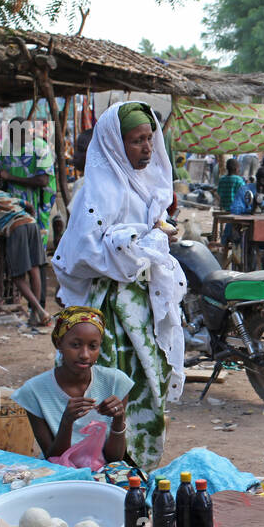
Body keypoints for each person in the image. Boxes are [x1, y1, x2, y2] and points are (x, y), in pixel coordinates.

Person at [51, 101, 185, 470]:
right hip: (109, 309)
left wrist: (154, 240)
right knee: (110, 383)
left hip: (145, 303)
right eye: (136, 140)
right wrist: (139, 243)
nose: (146, 148)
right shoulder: (97, 193)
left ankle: (139, 463)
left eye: (149, 139)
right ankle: (104, 463)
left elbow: (152, 235)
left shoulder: (150, 187)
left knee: (148, 381)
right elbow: (83, 251)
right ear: (114, 143)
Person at [14, 307, 133, 468]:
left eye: (93, 346)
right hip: (60, 475)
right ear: (59, 344)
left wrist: (119, 420)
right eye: (75, 345)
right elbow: (53, 458)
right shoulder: (34, 391)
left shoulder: (115, 382)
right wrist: (66, 422)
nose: (85, 354)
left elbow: (114, 458)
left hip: (102, 475)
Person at [0, 172, 53, 326]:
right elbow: (28, 205)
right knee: (34, 269)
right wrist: (29, 218)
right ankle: (34, 315)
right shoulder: (2, 193)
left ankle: (40, 311)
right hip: (31, 224)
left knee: (17, 277)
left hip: (15, 228)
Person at [0, 118, 57, 255]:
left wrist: (10, 178)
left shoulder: (40, 147)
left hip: (36, 206)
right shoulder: (9, 147)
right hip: (13, 207)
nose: (12, 139)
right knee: (15, 250)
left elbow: (43, 181)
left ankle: (36, 275)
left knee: (35, 250)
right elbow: (0, 171)